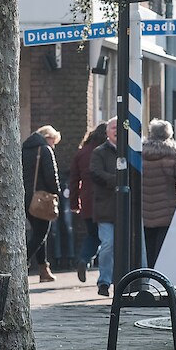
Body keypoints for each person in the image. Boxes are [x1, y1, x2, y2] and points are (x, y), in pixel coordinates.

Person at [141, 119, 176, 266]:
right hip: (167, 212)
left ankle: (147, 279)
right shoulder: (173, 153)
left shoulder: (140, 152)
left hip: (144, 211)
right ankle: (160, 281)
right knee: (163, 250)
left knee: (148, 249)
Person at [68, 123, 107, 283]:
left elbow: (73, 180)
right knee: (107, 238)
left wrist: (74, 203)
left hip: (87, 200)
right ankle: (106, 276)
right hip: (106, 201)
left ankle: (84, 259)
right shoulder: (107, 152)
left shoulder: (81, 152)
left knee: (92, 235)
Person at [23, 125, 61, 283]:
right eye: (53, 141)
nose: (54, 145)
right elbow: (51, 176)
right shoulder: (45, 150)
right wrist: (57, 192)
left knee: (38, 233)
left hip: (25, 198)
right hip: (41, 199)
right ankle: (22, 261)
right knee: (41, 234)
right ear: (48, 137)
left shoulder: (24, 149)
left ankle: (44, 269)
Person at [89, 118, 120, 296]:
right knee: (108, 244)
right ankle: (104, 282)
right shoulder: (99, 152)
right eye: (112, 128)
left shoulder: (130, 151)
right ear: (107, 132)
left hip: (126, 209)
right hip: (106, 207)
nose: (116, 131)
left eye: (118, 127)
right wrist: (118, 180)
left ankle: (123, 281)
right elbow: (95, 173)